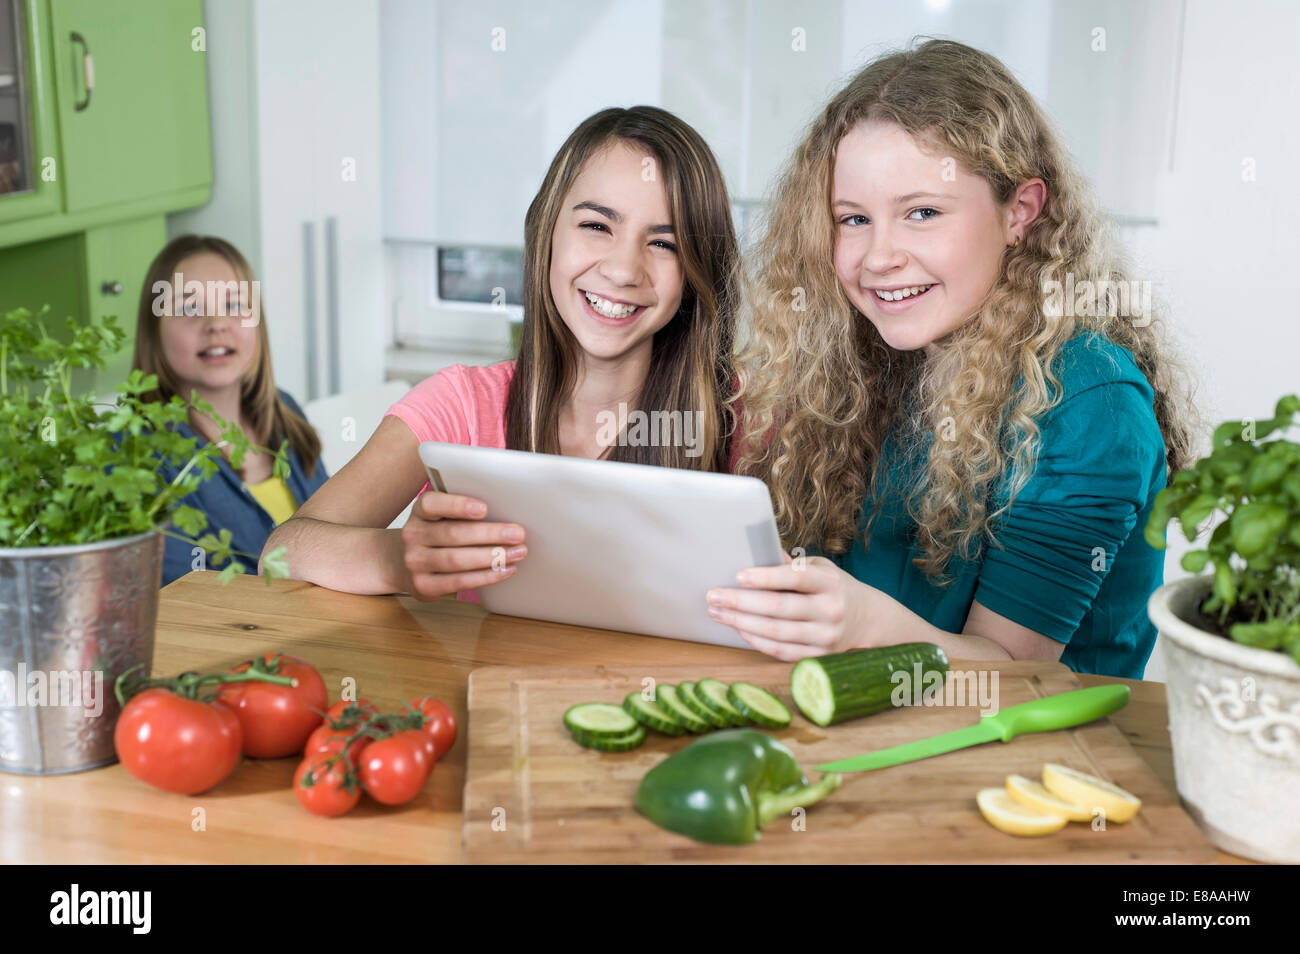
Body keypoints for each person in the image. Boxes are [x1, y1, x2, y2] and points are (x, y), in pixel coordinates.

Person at [709, 39, 1200, 679]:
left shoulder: (1090, 402)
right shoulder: (877, 356)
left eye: (921, 213)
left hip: (1029, 757)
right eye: (852, 219)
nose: (878, 256)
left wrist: (862, 625)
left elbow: (1014, 672)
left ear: (1021, 211)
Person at [264, 106, 738, 601]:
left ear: (695, 274)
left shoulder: (739, 418)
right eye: (597, 226)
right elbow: (281, 553)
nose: (623, 269)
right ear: (547, 232)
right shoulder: (461, 406)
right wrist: (396, 560)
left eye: (664, 242)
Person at [134, 235, 328, 585]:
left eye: (234, 304)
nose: (216, 324)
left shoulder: (285, 412)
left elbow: (339, 536)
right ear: (154, 332)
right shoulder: (140, 452)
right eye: (189, 308)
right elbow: (183, 598)